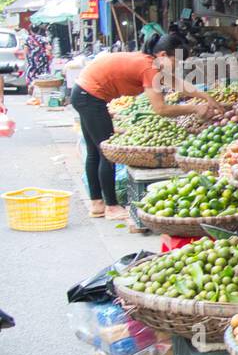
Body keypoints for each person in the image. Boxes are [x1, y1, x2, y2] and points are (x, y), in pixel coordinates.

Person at [70, 34, 218, 221]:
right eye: (176, 61)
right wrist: (195, 108)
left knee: (94, 152)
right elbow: (161, 109)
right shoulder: (150, 68)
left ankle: (97, 204)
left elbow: (176, 83)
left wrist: (205, 97)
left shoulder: (150, 62)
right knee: (105, 154)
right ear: (163, 54)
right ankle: (111, 207)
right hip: (90, 97)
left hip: (83, 93)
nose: (177, 67)